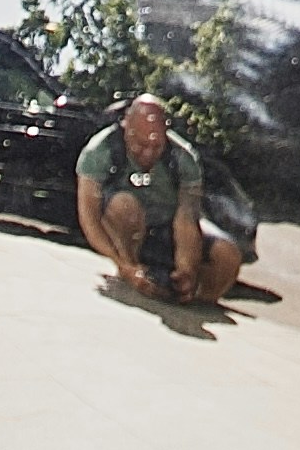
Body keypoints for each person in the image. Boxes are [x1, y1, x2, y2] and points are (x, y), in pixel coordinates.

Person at [76, 95, 237, 304]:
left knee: (228, 255)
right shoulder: (100, 150)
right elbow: (89, 217)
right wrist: (124, 265)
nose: (148, 153)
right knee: (124, 205)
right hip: (125, 226)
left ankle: (189, 295)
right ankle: (131, 268)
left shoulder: (183, 157)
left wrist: (186, 267)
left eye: (157, 146)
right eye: (141, 145)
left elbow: (187, 217)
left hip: (167, 227)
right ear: (126, 128)